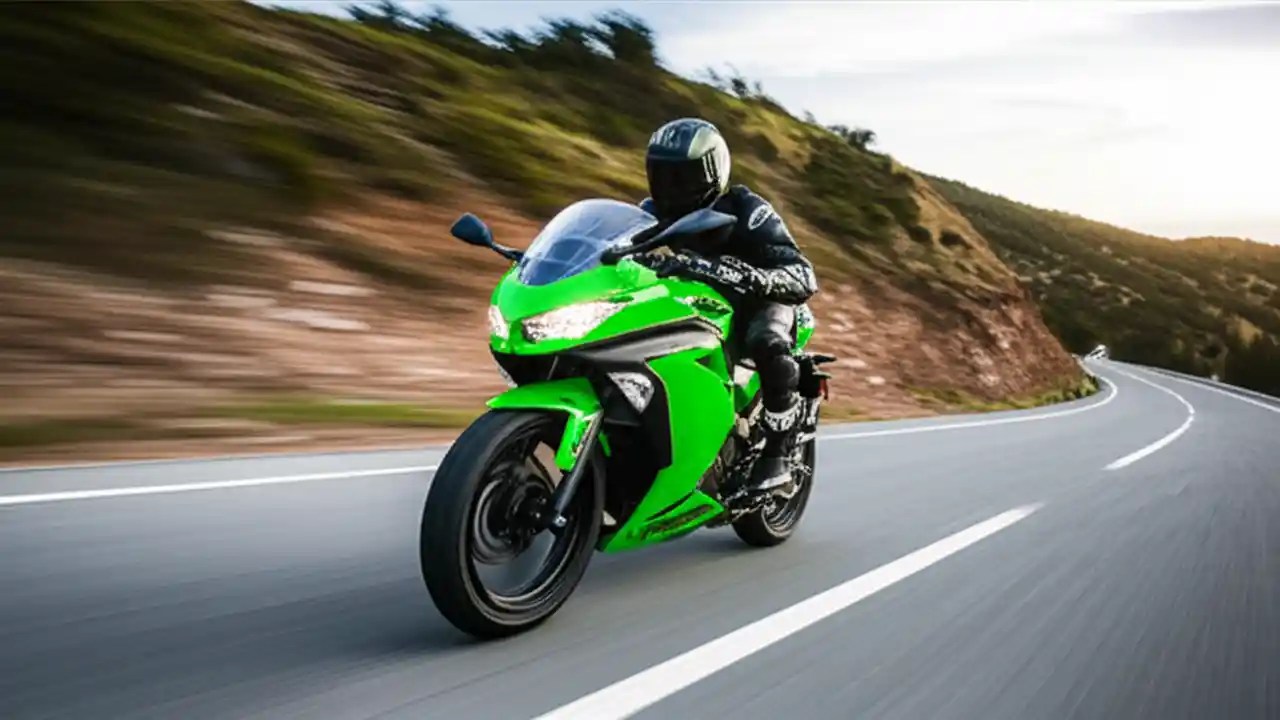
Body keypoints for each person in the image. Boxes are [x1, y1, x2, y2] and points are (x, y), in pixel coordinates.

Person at [633, 117, 818, 493]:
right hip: (701, 302)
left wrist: (756, 277)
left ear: (712, 173)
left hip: (763, 300)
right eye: (663, 175)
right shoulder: (650, 212)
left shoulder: (748, 210)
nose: (672, 188)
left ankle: (778, 457)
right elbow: (614, 250)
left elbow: (802, 275)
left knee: (767, 340)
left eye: (683, 178)